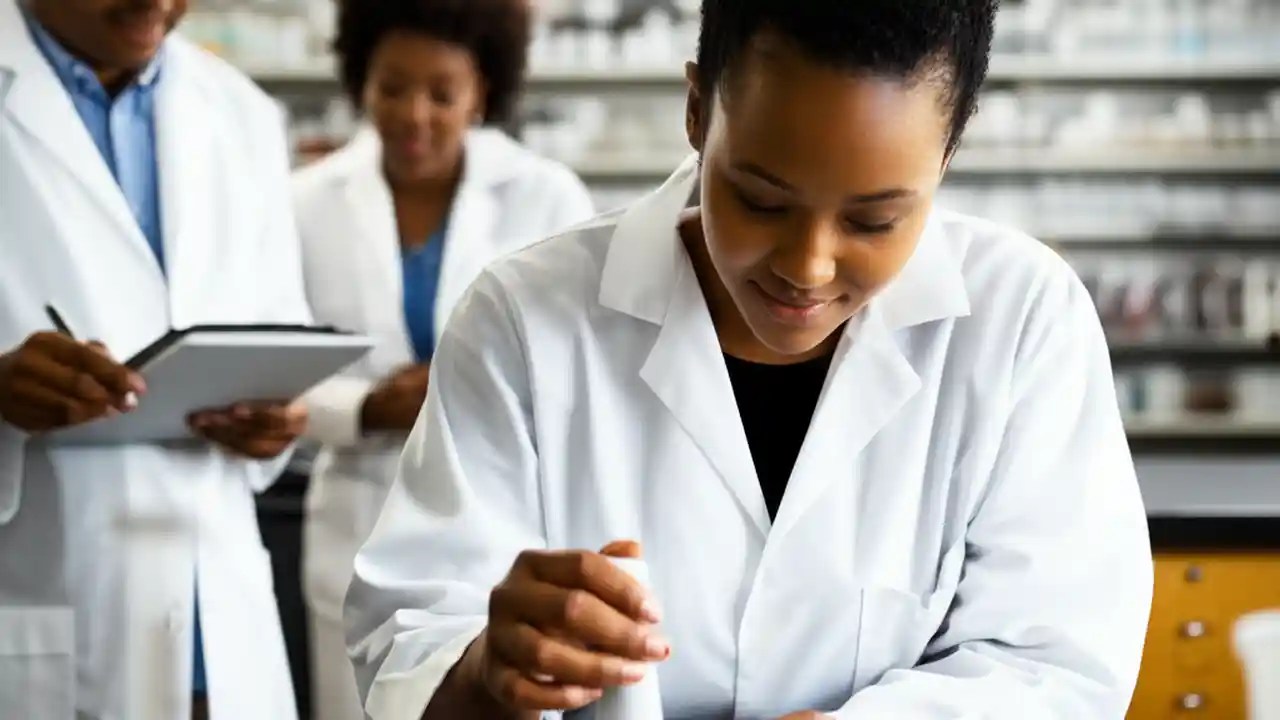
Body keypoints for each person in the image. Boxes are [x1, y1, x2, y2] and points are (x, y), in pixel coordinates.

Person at [346, 0, 1154, 718]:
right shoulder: (526, 318)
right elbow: (410, 648)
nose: (807, 267)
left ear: (949, 148)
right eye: (761, 200)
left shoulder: (1022, 323)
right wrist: (491, 669)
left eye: (873, 222)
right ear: (698, 111)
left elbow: (1057, 664)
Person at [0, 0, 312, 718]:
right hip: (50, 601)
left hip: (220, 624)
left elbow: (278, 332)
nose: (156, 4)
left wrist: (273, 422)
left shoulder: (242, 113)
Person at [292, 1, 594, 717]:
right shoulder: (305, 203)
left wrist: (470, 388)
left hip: (509, 521)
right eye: (391, 87)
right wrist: (366, 406)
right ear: (361, 80)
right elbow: (278, 369)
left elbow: (585, 366)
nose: (413, 115)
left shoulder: (546, 196)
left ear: (482, 92)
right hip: (355, 517)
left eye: (441, 93)